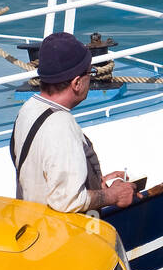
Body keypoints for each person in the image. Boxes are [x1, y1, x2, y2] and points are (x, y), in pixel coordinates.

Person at [11, 32, 136, 214]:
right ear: (77, 83)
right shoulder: (60, 124)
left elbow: (43, 172)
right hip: (58, 235)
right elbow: (67, 200)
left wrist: (95, 182)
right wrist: (113, 195)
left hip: (31, 223)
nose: (91, 77)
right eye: (89, 72)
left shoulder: (28, 109)